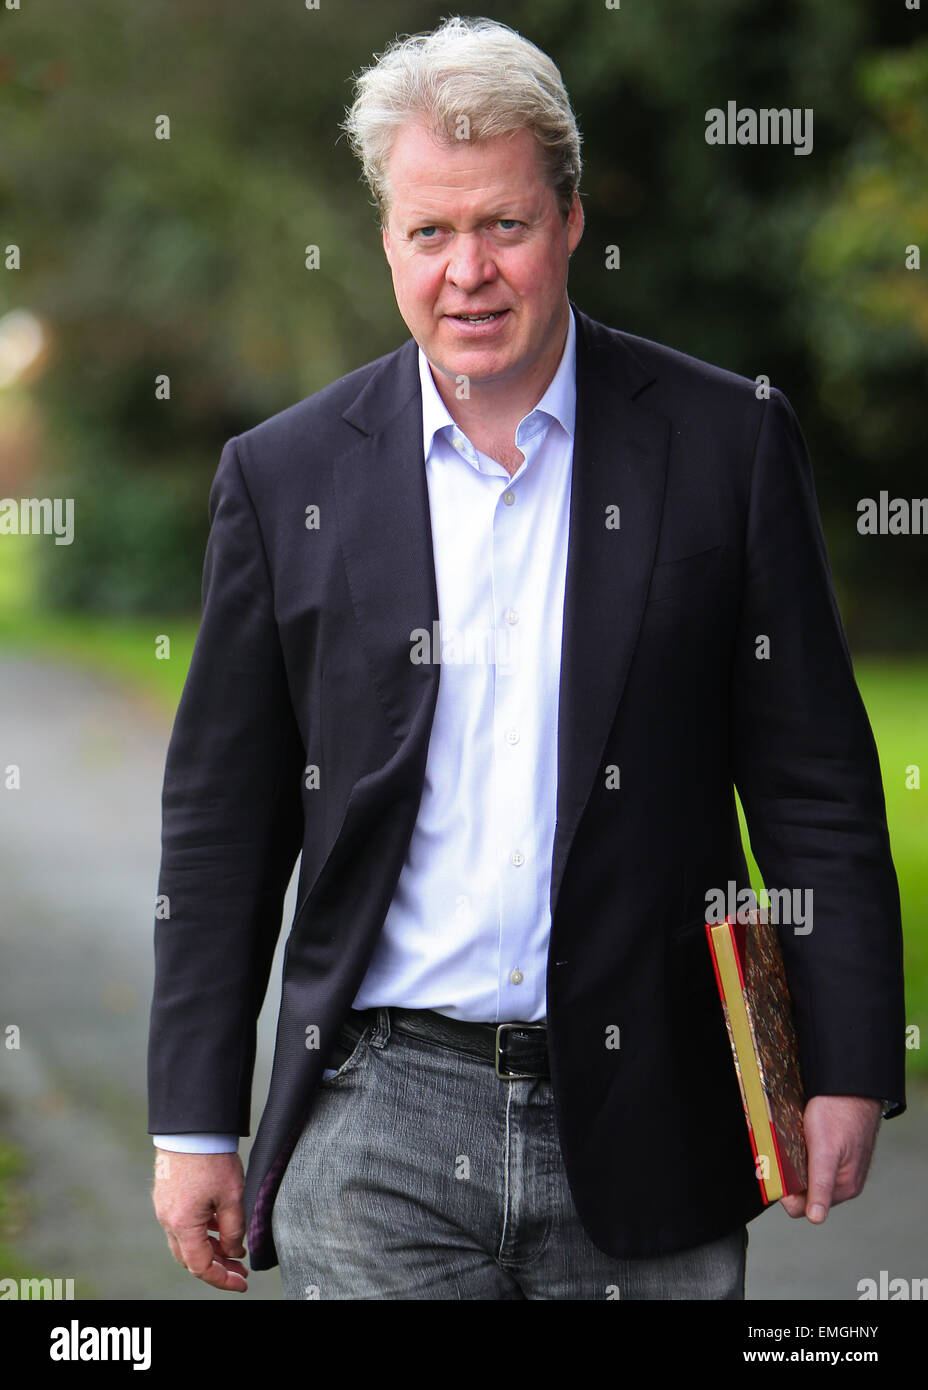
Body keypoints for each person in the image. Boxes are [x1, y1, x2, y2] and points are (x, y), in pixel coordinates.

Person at [149, 16, 906, 1300]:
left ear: (568, 219)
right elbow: (223, 822)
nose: (467, 272)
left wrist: (843, 1058)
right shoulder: (284, 480)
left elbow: (813, 782)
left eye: (501, 225)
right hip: (375, 1112)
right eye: (429, 233)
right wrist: (193, 1121)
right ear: (386, 237)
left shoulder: (726, 446)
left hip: (655, 1108)